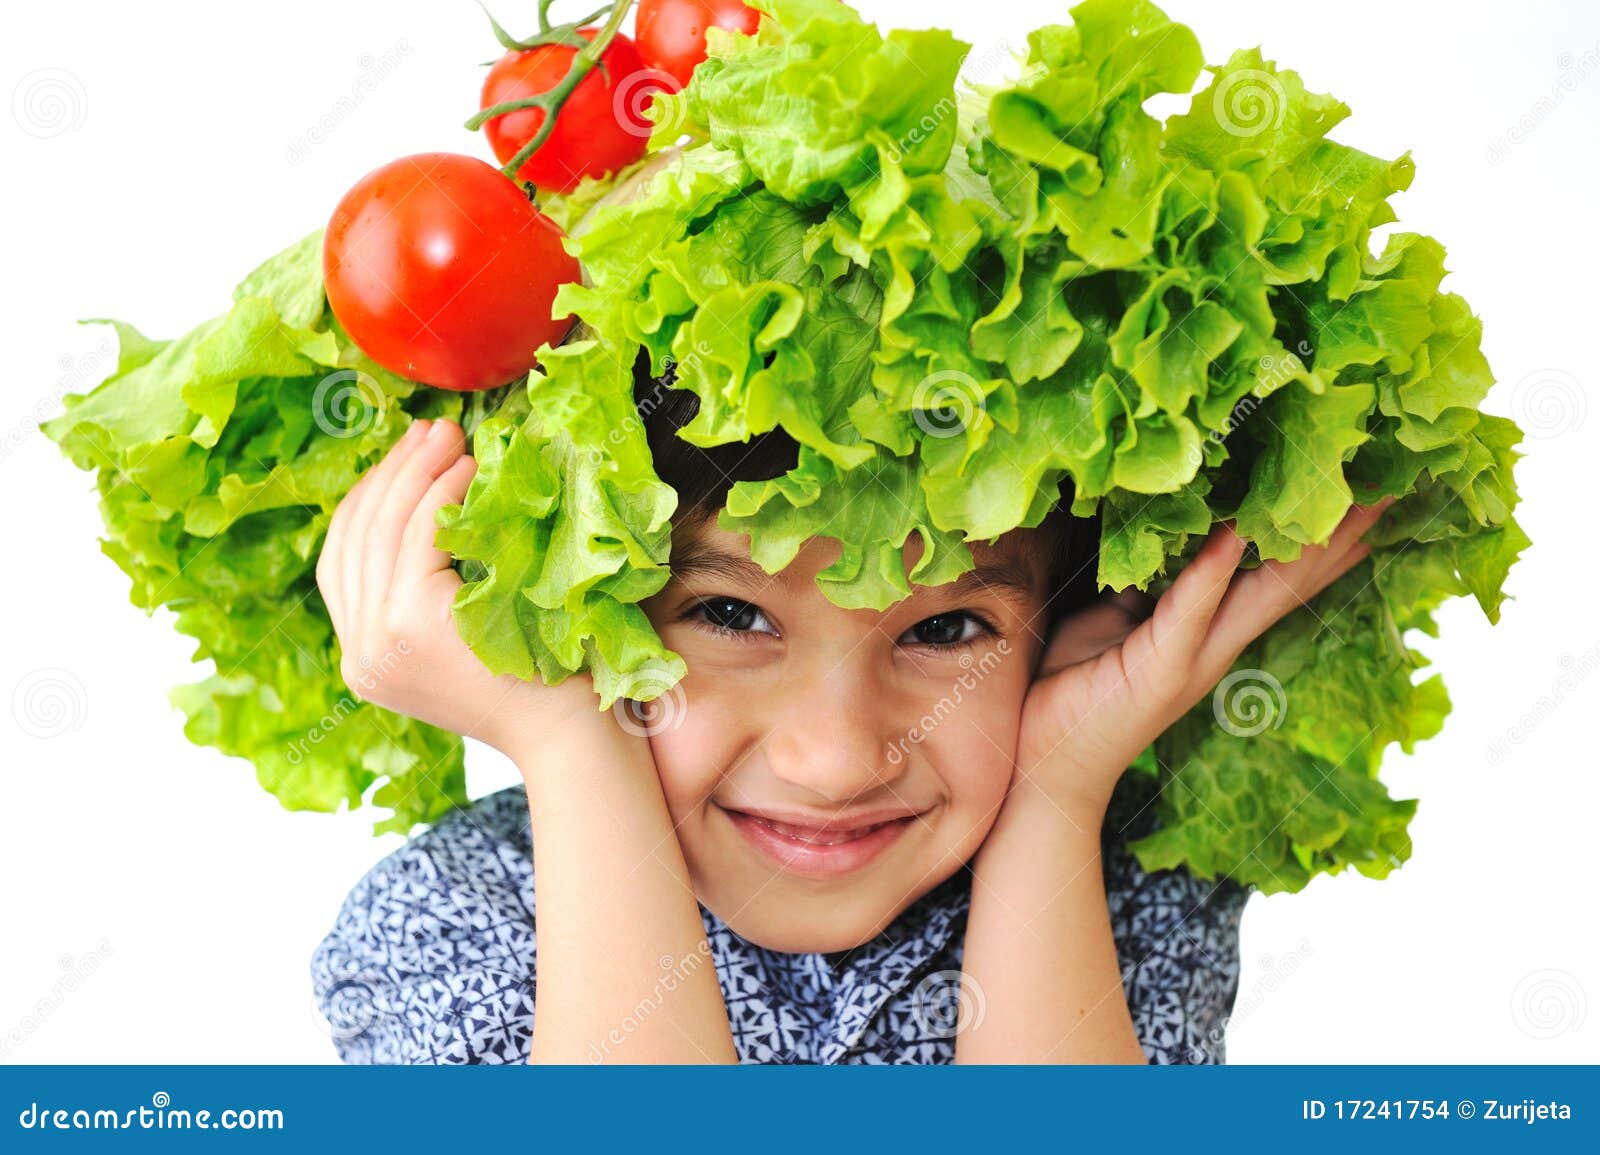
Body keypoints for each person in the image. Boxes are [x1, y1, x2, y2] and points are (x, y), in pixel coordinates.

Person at [310, 367, 1393, 1064]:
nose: (833, 761)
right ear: (579, 603)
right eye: (729, 613)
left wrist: (1056, 790)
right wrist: (566, 738)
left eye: (946, 632)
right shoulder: (449, 915)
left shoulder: (1136, 896)